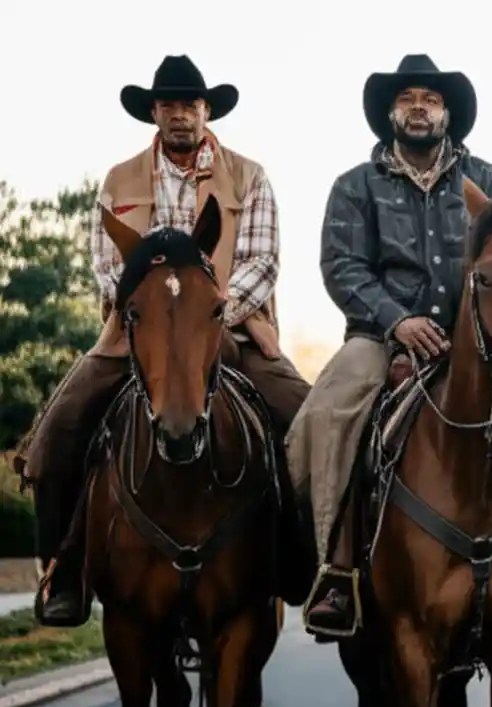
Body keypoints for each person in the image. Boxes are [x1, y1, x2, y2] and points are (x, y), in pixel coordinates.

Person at [291, 54, 492, 636]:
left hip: (476, 339)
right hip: (381, 337)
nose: (418, 107)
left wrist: (485, 331)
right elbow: (343, 267)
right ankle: (336, 570)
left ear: (447, 113)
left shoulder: (491, 180)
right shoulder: (355, 186)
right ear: (390, 112)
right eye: (406, 98)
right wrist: (396, 323)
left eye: (429, 100)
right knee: (328, 415)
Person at [12, 55, 313, 626]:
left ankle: (304, 562)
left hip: (228, 328)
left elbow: (262, 262)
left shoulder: (248, 176)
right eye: (169, 105)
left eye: (191, 104)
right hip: (137, 334)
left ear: (207, 111)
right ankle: (63, 574)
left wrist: (208, 313)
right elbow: (107, 265)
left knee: (305, 417)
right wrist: (150, 310)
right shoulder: (119, 180)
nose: (181, 115)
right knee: (55, 435)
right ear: (154, 112)